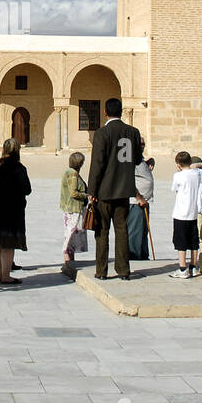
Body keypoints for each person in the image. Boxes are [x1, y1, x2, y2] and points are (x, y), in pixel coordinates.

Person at [87, 98, 143, 280]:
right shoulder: (133, 132)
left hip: (104, 191)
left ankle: (101, 271)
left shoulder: (102, 133)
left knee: (102, 231)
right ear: (121, 111)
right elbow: (136, 160)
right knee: (122, 230)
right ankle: (123, 270)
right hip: (124, 191)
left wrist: (92, 191)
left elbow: (97, 164)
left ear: (105, 112)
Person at [0, 139, 32, 286]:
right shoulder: (19, 168)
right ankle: (6, 276)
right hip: (13, 210)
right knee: (8, 244)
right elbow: (27, 189)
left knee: (0, 243)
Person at [59, 151, 89, 276]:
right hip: (74, 209)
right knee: (71, 235)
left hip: (70, 209)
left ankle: (70, 261)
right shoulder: (73, 175)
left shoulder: (68, 172)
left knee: (71, 235)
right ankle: (67, 262)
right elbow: (74, 193)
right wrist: (87, 195)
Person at [170, 151, 199, 278]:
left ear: (178, 164)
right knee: (193, 241)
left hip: (181, 213)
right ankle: (193, 267)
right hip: (192, 213)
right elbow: (195, 169)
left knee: (181, 242)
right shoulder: (197, 174)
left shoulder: (178, 176)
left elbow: (174, 188)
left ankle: (182, 269)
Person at [127, 146, 154, 260]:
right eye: (140, 143)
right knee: (135, 233)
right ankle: (134, 258)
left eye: (143, 143)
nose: (142, 146)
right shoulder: (131, 160)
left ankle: (143, 256)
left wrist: (149, 162)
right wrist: (139, 198)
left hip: (144, 202)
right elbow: (127, 180)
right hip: (136, 202)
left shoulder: (140, 159)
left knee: (143, 232)